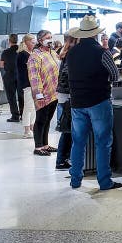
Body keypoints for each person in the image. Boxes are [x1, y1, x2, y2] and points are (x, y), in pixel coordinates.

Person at [66, 15, 122, 190]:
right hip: (99, 101)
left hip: (77, 103)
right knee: (103, 142)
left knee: (78, 142)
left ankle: (75, 180)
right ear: (95, 34)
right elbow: (115, 75)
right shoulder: (102, 52)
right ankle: (104, 182)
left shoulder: (71, 52)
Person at [27, 30, 59, 156]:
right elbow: (34, 76)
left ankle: (45, 144)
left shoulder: (52, 53)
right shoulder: (35, 56)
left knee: (48, 120)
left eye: (51, 37)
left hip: (54, 92)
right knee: (40, 120)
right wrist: (38, 93)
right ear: (40, 40)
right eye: (47, 37)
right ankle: (38, 146)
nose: (50, 39)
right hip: (42, 93)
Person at [54, 34, 76, 170]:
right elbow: (67, 74)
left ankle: (63, 159)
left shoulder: (65, 52)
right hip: (68, 94)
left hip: (64, 94)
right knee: (68, 128)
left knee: (67, 127)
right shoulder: (71, 53)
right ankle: (62, 159)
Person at [17, 34, 36, 139]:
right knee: (28, 108)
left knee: (33, 108)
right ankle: (27, 130)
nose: (34, 43)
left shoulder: (30, 53)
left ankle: (32, 128)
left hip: (32, 84)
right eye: (32, 41)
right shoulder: (23, 54)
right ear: (27, 42)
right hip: (27, 84)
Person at [0, 34, 22, 123]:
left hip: (9, 76)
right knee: (21, 96)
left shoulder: (5, 52)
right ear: (17, 40)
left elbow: (1, 65)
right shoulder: (21, 51)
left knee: (11, 97)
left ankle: (15, 116)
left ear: (9, 41)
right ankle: (24, 114)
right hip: (20, 76)